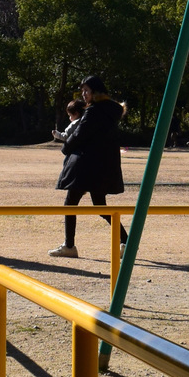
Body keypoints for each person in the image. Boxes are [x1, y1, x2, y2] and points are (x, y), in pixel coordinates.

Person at [51, 75, 125, 259]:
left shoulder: (93, 112)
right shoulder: (111, 111)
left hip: (85, 166)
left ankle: (69, 246)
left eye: (86, 90)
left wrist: (65, 147)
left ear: (95, 92)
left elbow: (79, 135)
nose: (83, 94)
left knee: (70, 204)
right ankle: (126, 241)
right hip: (102, 165)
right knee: (100, 206)